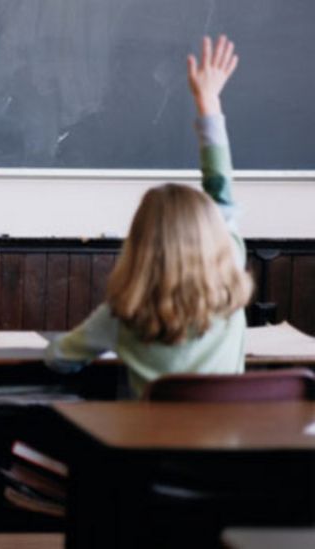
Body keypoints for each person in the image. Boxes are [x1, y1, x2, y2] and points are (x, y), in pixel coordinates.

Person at [45, 35, 253, 397]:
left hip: (152, 437)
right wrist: (208, 101)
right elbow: (221, 186)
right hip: (232, 435)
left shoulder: (124, 316)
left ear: (139, 244)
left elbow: (58, 359)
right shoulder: (230, 282)